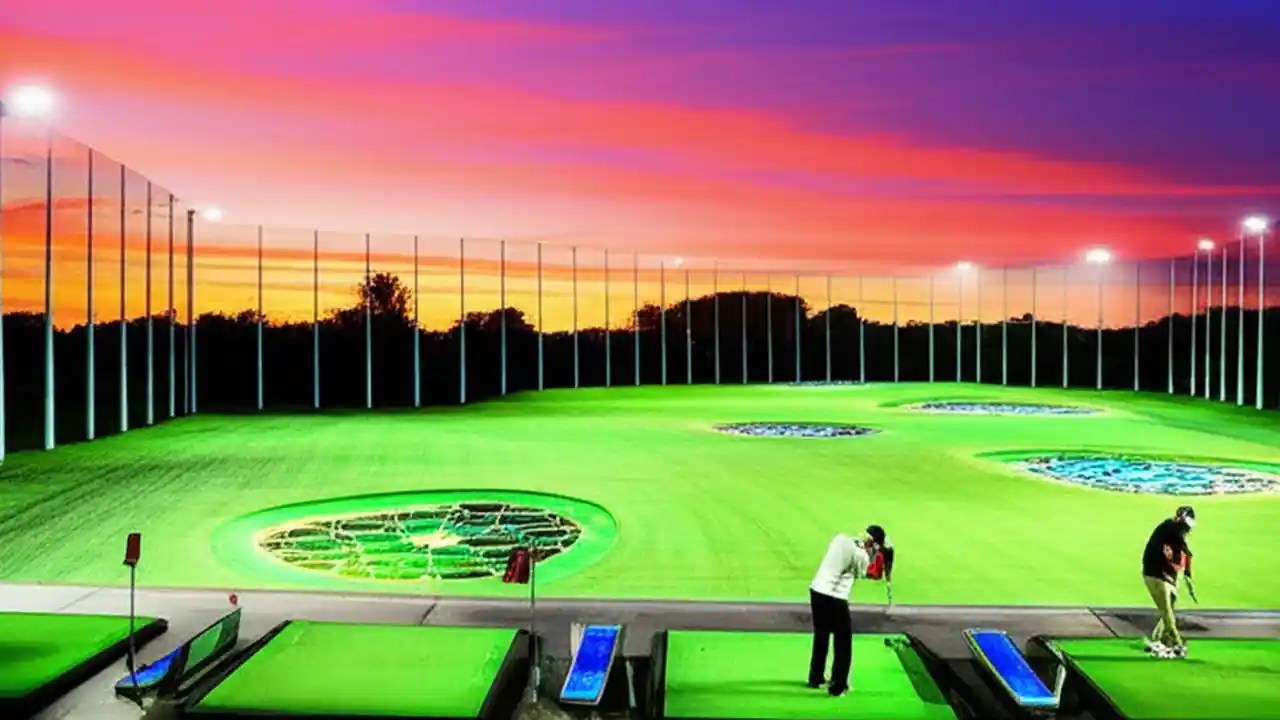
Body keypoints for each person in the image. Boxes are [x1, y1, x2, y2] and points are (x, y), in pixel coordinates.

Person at [808, 525, 893, 696]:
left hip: (816, 590)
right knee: (843, 641)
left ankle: (815, 678)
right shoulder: (861, 555)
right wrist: (881, 557)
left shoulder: (840, 538)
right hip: (835, 596)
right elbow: (871, 574)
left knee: (822, 634)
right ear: (874, 544)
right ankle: (838, 686)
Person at [1141, 506, 1195, 659]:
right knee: (1167, 613)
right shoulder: (1171, 528)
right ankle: (1177, 644)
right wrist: (1186, 574)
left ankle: (1159, 641)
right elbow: (1184, 551)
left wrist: (1186, 575)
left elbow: (1184, 553)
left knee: (1169, 606)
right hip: (1155, 574)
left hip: (1163, 575)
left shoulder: (1172, 532)